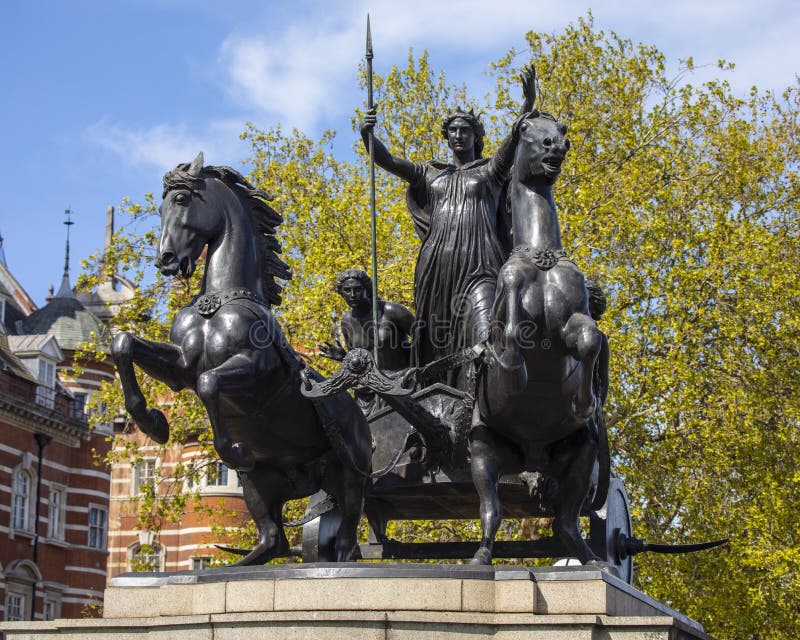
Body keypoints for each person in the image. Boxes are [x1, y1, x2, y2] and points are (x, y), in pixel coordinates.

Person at [360, 67, 535, 373]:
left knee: (486, 333)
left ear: (476, 136)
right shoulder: (428, 172)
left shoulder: (489, 172)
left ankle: (485, 405)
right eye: (452, 130)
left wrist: (527, 105)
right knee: (434, 342)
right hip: (436, 268)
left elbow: (514, 139)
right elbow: (385, 160)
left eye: (464, 130)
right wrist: (368, 133)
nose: (457, 135)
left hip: (481, 265)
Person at [319, 268, 415, 373]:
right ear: (341, 293)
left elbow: (425, 338)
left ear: (367, 290)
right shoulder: (346, 322)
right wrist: (344, 357)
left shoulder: (391, 311)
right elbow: (358, 363)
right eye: (347, 290)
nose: (352, 295)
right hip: (372, 385)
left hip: (404, 381)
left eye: (358, 289)